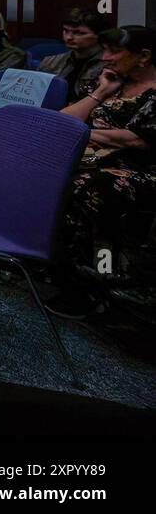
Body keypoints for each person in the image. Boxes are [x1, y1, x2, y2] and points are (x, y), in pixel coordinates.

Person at [50, 26, 156, 319]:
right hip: (94, 158)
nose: (105, 57)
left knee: (82, 186)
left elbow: (139, 140)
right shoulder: (111, 83)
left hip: (139, 170)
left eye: (114, 52)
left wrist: (87, 132)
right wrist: (99, 93)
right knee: (38, 171)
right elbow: (63, 122)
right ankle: (54, 265)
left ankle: (90, 283)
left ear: (143, 56)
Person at [39, 9, 108, 104]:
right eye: (65, 31)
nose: (68, 37)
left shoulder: (109, 66)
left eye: (79, 33)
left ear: (99, 35)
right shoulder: (50, 62)